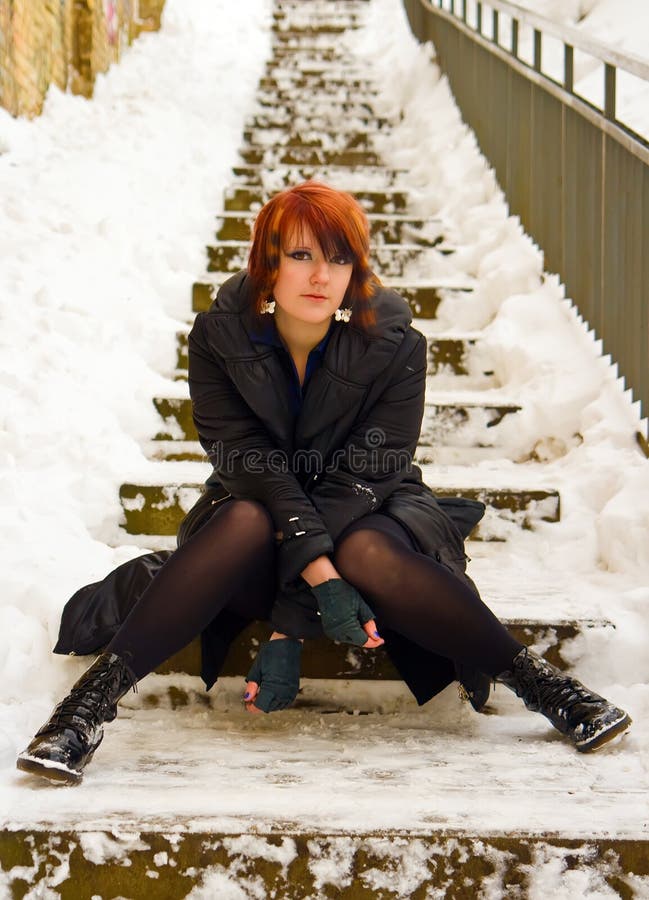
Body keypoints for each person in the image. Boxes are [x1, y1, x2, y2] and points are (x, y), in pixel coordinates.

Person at [17, 182, 631, 785]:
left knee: (365, 550)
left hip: (372, 505)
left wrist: (290, 622)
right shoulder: (218, 338)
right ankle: (85, 709)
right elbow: (246, 462)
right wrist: (317, 578)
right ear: (267, 263)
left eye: (340, 258)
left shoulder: (395, 345)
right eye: (302, 255)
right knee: (244, 518)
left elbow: (373, 468)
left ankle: (542, 684)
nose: (321, 275)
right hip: (261, 509)